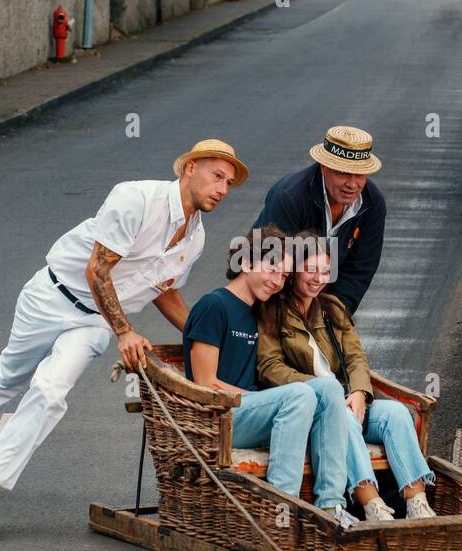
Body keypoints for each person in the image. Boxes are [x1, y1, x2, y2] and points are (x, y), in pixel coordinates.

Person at [0, 139, 249, 527]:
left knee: (50, 390)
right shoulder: (136, 198)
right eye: (217, 176)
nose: (223, 190)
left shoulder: (195, 238)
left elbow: (166, 291)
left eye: (229, 183)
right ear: (190, 168)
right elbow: (98, 270)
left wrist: (209, 338)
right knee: (11, 375)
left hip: (96, 322)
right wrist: (125, 331)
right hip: (53, 295)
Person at [257, 244, 436, 521]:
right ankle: (372, 504)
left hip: (349, 397)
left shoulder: (332, 308)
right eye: (311, 270)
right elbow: (270, 368)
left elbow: (355, 357)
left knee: (398, 414)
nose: (318, 278)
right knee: (345, 419)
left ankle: (417, 503)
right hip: (315, 406)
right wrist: (324, 392)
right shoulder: (272, 311)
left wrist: (360, 392)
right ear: (294, 271)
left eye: (325, 271)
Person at [183, 227, 346, 509]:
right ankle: (281, 508)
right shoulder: (214, 305)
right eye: (271, 269)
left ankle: (331, 507)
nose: (277, 282)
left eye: (283, 276)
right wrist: (268, 399)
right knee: (299, 395)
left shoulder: (260, 311)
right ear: (245, 262)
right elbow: (205, 383)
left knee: (329, 387)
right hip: (218, 416)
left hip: (253, 412)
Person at [252, 125, 386, 315]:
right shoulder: (290, 196)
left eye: (360, 174)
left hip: (324, 299)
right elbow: (267, 264)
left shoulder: (373, 202)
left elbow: (360, 269)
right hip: (275, 296)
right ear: (324, 167)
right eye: (343, 172)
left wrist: (334, 316)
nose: (352, 184)